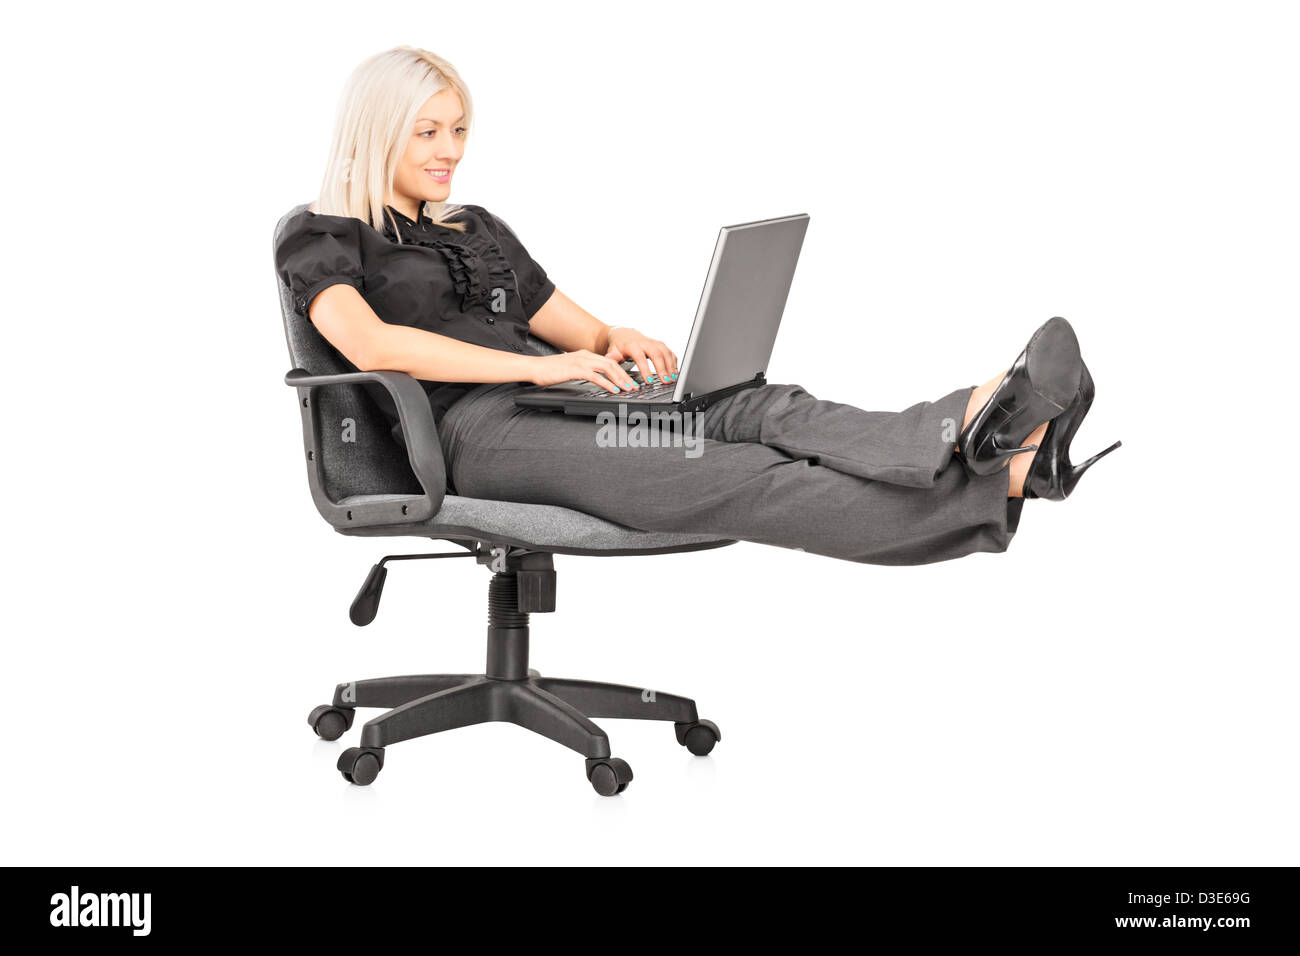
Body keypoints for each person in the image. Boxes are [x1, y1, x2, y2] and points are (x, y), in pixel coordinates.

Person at [274, 46, 1120, 566]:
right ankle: (1007, 476)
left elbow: (579, 326)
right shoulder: (323, 234)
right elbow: (374, 343)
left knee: (751, 405)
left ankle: (981, 420)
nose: (449, 151)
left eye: (458, 130)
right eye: (426, 132)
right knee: (736, 472)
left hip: (568, 402)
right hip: (480, 436)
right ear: (375, 130)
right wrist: (557, 365)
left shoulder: (478, 228)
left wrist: (617, 339)